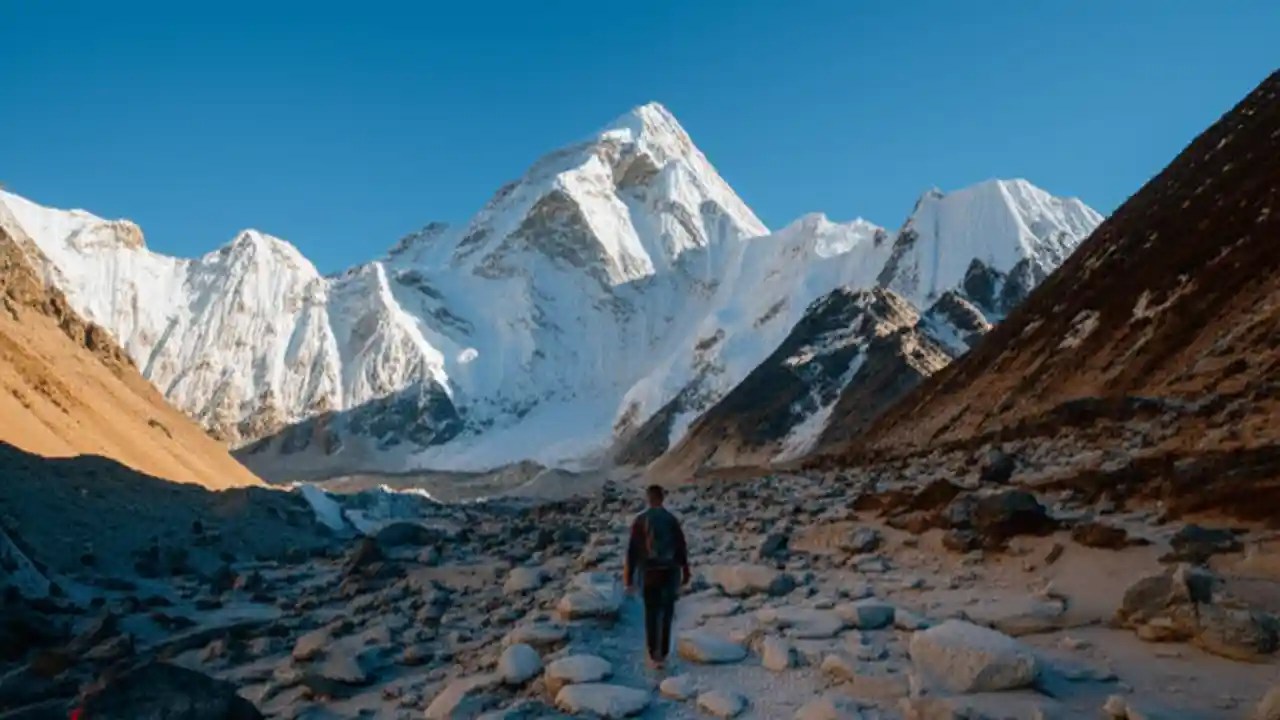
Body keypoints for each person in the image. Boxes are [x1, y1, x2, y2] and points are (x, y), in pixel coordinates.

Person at [623, 484, 691, 669]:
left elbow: (632, 551)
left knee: (651, 612)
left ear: (648, 499)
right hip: (669, 571)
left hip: (649, 572)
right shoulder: (671, 519)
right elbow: (681, 547)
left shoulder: (640, 520)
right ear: (662, 498)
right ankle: (665, 652)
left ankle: (654, 655)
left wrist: (628, 578)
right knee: (667, 612)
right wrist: (685, 571)